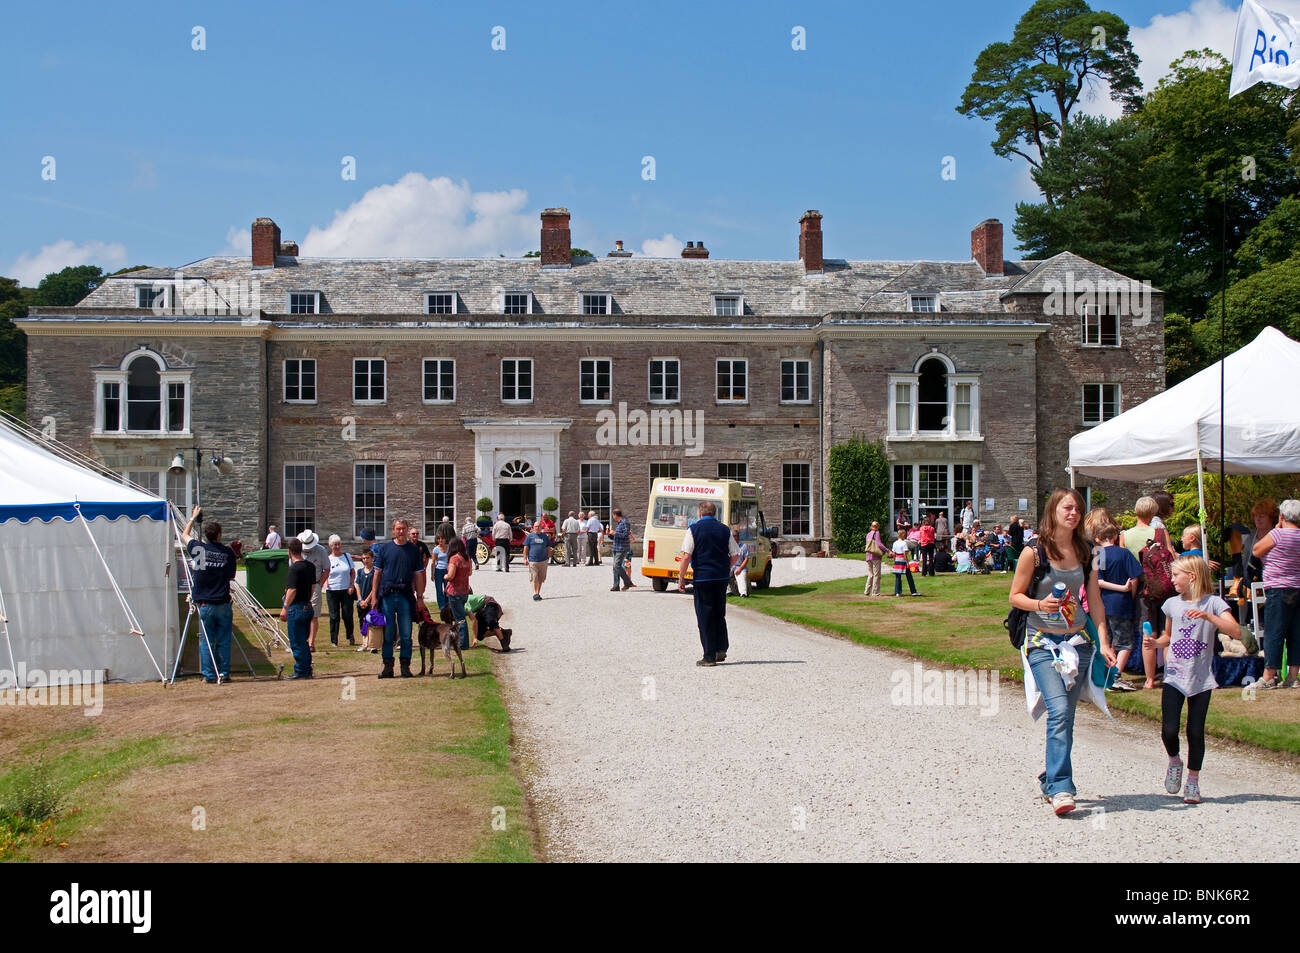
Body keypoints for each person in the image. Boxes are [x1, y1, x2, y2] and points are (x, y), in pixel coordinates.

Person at [1009, 488, 1116, 817]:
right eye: (1067, 507)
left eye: (1078, 508)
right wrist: (1040, 604)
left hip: (1078, 643)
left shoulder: (1088, 551)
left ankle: (1051, 778)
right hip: (1041, 641)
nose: (1073, 513)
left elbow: (1095, 600)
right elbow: (1015, 596)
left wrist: (1104, 641)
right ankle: (1061, 787)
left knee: (1065, 718)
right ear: (1053, 510)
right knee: (1058, 711)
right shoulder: (1034, 551)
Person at [1147, 555, 1239, 803]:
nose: (1172, 579)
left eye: (1176, 575)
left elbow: (1236, 631)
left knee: (1195, 731)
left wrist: (1210, 618)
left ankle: (1193, 782)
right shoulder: (1171, 604)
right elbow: (1169, 635)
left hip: (1200, 677)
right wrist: (1156, 643)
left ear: (1192, 577)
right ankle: (1174, 762)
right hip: (1174, 676)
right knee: (1168, 729)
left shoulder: (1214, 603)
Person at [677, 500, 741, 666]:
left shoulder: (693, 530)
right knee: (719, 614)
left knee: (705, 616)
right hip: (720, 578)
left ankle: (709, 655)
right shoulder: (724, 530)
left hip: (703, 577)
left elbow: (686, 556)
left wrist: (681, 577)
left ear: (699, 513)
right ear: (714, 514)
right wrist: (724, 567)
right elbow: (735, 555)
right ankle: (721, 648)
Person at [182, 504, 237, 684]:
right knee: (223, 640)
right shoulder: (227, 553)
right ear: (219, 535)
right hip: (222, 601)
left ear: (206, 535)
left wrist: (193, 517)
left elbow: (184, 535)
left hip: (205, 603)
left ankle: (209, 674)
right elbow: (231, 576)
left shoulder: (198, 549)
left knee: (206, 641)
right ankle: (224, 672)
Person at [1251, 498, 1300, 690]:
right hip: (1297, 587)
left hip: (1278, 589)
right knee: (1296, 632)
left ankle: (1269, 675)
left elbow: (1256, 550)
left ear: (1282, 516)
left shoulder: (1278, 534)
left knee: (1274, 632)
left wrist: (1276, 527)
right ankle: (1293, 676)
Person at [372, 518, 426, 679]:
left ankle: (405, 667)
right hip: (387, 595)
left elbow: (418, 575)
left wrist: (420, 597)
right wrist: (374, 596)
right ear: (393, 530)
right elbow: (377, 573)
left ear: (407, 530)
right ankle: (388, 667)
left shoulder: (414, 550)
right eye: (398, 528)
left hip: (405, 595)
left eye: (403, 528)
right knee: (388, 634)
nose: (400, 531)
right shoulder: (385, 549)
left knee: (406, 634)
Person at [1093, 520, 1143, 691]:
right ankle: (1115, 676)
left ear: (1098, 539)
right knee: (1125, 642)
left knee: (1105, 640)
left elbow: (1097, 581)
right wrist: (1127, 591)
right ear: (1115, 536)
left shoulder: (1097, 554)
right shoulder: (1124, 553)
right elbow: (1135, 578)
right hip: (1121, 603)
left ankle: (1104, 675)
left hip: (1101, 603)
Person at [279, 538, 316, 679]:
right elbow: (313, 586)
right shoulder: (310, 566)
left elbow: (292, 590)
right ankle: (306, 670)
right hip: (307, 605)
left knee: (296, 641)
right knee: (303, 641)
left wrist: (284, 607)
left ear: (289, 552)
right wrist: (308, 599)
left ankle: (301, 671)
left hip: (296, 607)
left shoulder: (294, 568)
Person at [297, 530, 330, 653]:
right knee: (300, 614)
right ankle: (302, 640)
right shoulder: (296, 550)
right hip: (300, 586)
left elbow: (326, 569)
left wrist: (320, 584)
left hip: (315, 584)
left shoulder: (321, 551)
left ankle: (311, 642)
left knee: (314, 615)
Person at [325, 534, 357, 647]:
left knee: (347, 614)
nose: (337, 547)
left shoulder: (347, 557)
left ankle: (350, 635)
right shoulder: (328, 559)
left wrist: (351, 585)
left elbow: (352, 572)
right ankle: (334, 640)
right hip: (332, 590)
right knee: (334, 616)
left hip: (346, 590)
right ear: (331, 546)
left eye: (338, 544)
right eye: (335, 545)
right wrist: (325, 583)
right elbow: (324, 573)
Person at [444, 536, 474, 650]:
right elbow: (470, 573)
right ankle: (460, 641)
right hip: (464, 591)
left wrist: (445, 576)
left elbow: (451, 576)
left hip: (455, 592)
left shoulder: (454, 559)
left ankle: (462, 643)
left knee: (459, 619)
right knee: (461, 616)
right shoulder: (467, 558)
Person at [354, 549, 380, 653]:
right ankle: (364, 643)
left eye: (367, 558)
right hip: (361, 602)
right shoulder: (360, 571)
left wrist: (367, 600)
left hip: (371, 602)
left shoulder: (375, 572)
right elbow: (357, 585)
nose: (365, 560)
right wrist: (360, 599)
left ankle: (372, 644)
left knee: (372, 622)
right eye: (363, 558)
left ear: (372, 558)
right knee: (362, 622)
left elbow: (375, 587)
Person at [523, 520, 553, 600]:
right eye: (536, 526)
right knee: (534, 577)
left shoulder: (544, 536)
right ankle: (535, 593)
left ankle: (538, 593)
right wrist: (525, 558)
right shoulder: (530, 536)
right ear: (533, 527)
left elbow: (548, 547)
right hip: (533, 561)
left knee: (541, 578)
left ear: (541, 527)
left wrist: (548, 557)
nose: (537, 528)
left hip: (543, 560)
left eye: (539, 526)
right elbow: (526, 548)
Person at [609, 508, 634, 591]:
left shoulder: (625, 523)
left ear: (615, 515)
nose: (613, 517)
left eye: (613, 515)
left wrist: (615, 533)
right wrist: (610, 535)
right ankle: (616, 586)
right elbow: (616, 537)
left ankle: (628, 582)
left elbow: (625, 535)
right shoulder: (619, 524)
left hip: (622, 547)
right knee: (615, 567)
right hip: (616, 547)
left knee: (617, 565)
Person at [891, 531, 919, 596]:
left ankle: (897, 592)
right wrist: (907, 562)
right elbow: (904, 554)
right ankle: (913, 591)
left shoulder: (895, 543)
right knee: (909, 576)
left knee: (898, 576)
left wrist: (894, 560)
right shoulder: (904, 543)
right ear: (903, 535)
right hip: (902, 559)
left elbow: (894, 553)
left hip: (897, 559)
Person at [728, 526, 751, 597]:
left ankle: (743, 593)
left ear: (736, 537)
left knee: (741, 576)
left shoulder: (744, 546)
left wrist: (740, 568)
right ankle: (728, 592)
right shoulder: (729, 546)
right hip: (731, 566)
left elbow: (747, 559)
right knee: (724, 574)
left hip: (740, 566)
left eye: (732, 537)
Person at [863, 520, 885, 596]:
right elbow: (879, 544)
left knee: (870, 574)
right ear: (877, 527)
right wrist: (887, 550)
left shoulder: (868, 534)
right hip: (875, 556)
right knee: (876, 575)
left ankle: (867, 590)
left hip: (868, 556)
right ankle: (875, 592)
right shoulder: (877, 533)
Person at [410, 526, 433, 597]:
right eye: (413, 533)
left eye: (417, 533)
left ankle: (420, 603)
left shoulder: (422, 545)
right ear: (410, 535)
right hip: (410, 570)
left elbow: (427, 557)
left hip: (420, 570)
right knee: (411, 589)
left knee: (421, 589)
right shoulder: (407, 545)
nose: (415, 535)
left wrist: (424, 567)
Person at [431, 536, 450, 610]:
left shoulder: (449, 547)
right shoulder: (436, 549)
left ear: (445, 539)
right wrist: (432, 574)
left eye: (442, 538)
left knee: (447, 589)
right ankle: (441, 606)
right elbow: (433, 562)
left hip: (447, 570)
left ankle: (447, 604)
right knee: (439, 589)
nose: (441, 540)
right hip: (438, 570)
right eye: (439, 538)